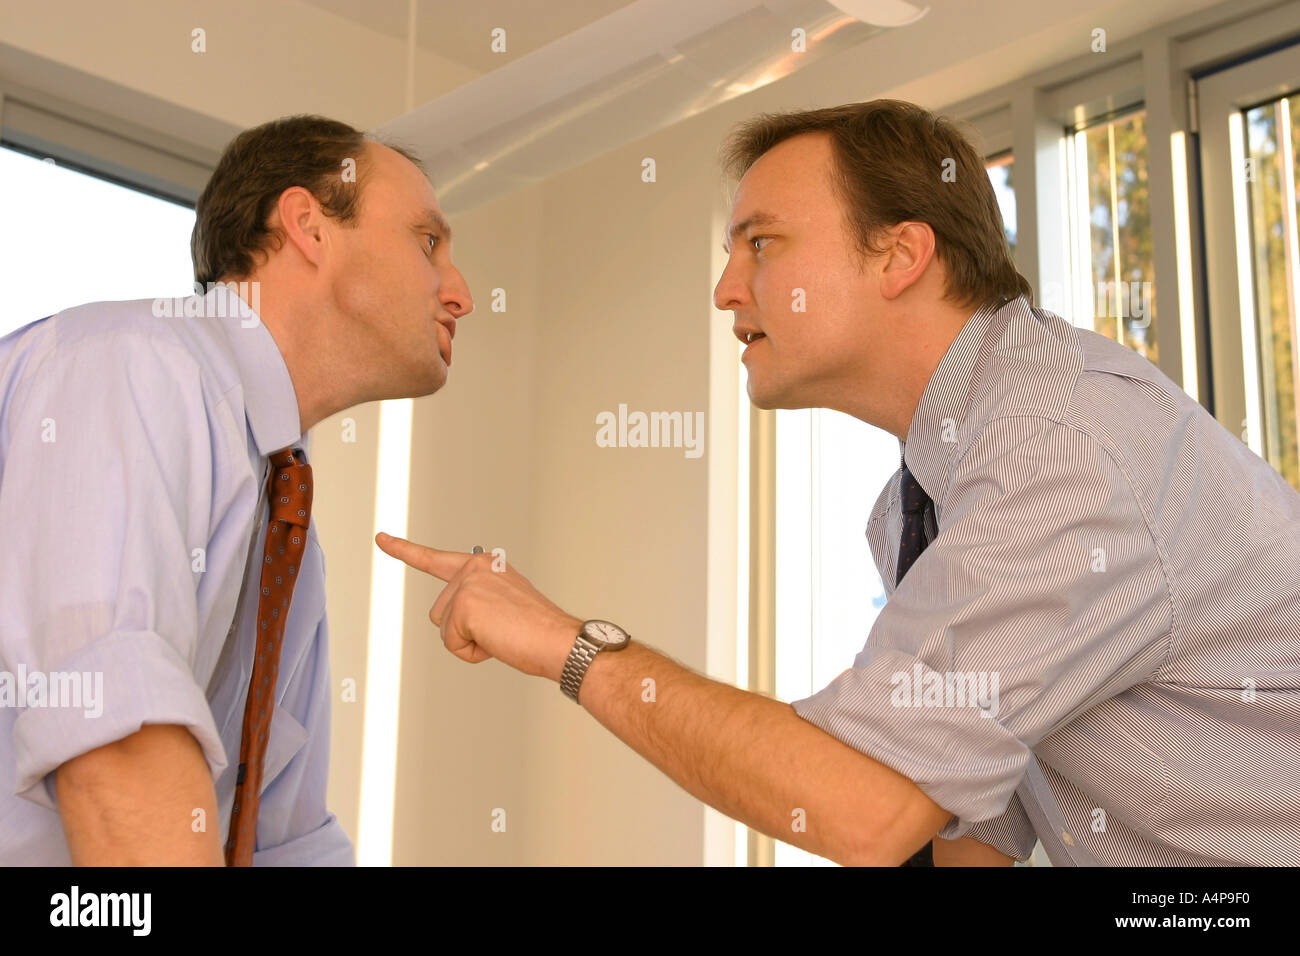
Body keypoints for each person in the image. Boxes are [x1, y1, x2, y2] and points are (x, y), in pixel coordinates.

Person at [377, 99, 1300, 866]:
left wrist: (565, 643)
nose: (726, 288)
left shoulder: (1056, 445)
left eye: (762, 243)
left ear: (900, 255)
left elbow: (863, 806)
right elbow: (974, 826)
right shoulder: (925, 499)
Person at [0, 114, 472, 864]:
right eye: (428, 243)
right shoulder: (131, 366)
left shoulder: (283, 526)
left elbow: (287, 844)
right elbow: (115, 747)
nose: (462, 294)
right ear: (309, 226)